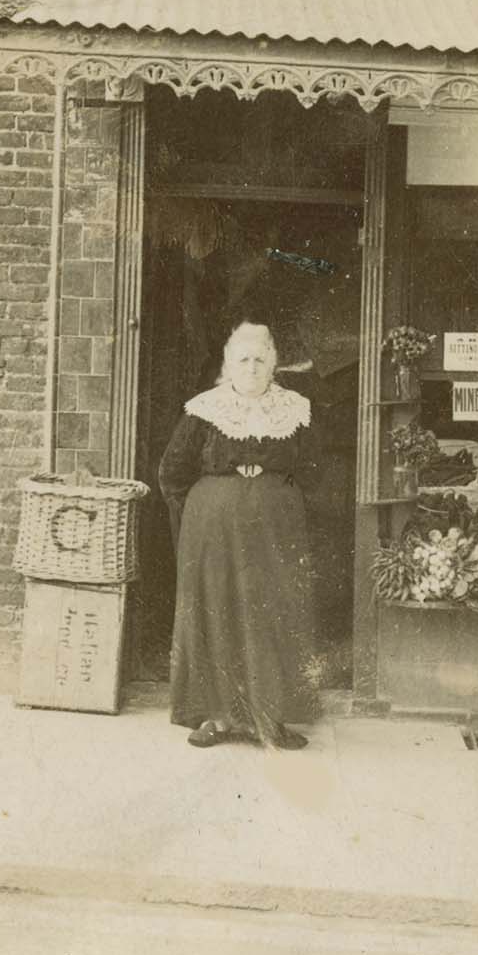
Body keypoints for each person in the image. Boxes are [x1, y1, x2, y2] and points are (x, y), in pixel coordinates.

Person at [159, 315, 318, 751]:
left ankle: (272, 717)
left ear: (274, 364)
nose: (251, 366)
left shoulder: (295, 409)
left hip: (276, 530)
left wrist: (278, 502)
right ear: (228, 363)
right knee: (218, 610)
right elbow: (172, 473)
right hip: (213, 534)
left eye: (260, 358)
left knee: (274, 612)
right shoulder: (205, 410)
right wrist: (199, 517)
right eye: (243, 358)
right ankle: (216, 716)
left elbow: (315, 469)